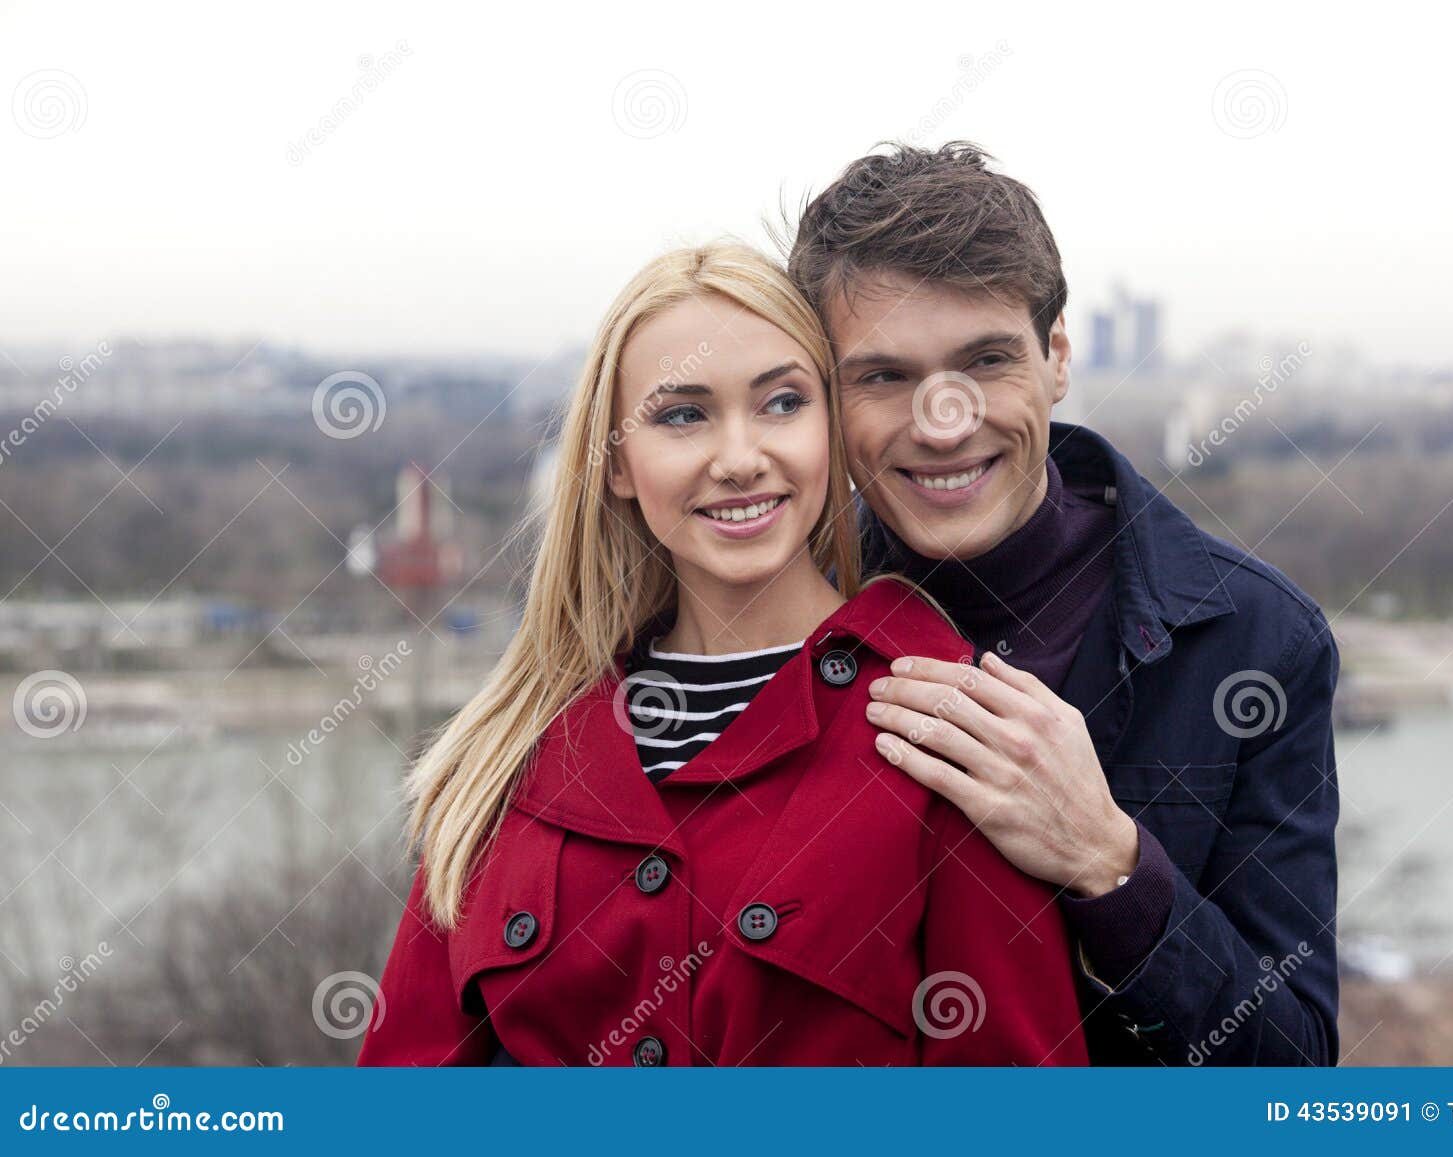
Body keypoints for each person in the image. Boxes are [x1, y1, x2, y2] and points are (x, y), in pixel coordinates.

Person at [358, 241, 1090, 1066]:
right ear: (617, 464)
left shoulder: (943, 732)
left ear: (833, 432)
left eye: (782, 403)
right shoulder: (504, 759)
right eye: (682, 415)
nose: (740, 459)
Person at [786, 142, 1341, 1065]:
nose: (944, 420)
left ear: (1057, 359)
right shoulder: (772, 614)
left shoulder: (1258, 641)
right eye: (882, 376)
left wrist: (1110, 863)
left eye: (987, 361)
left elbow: (1292, 1075)